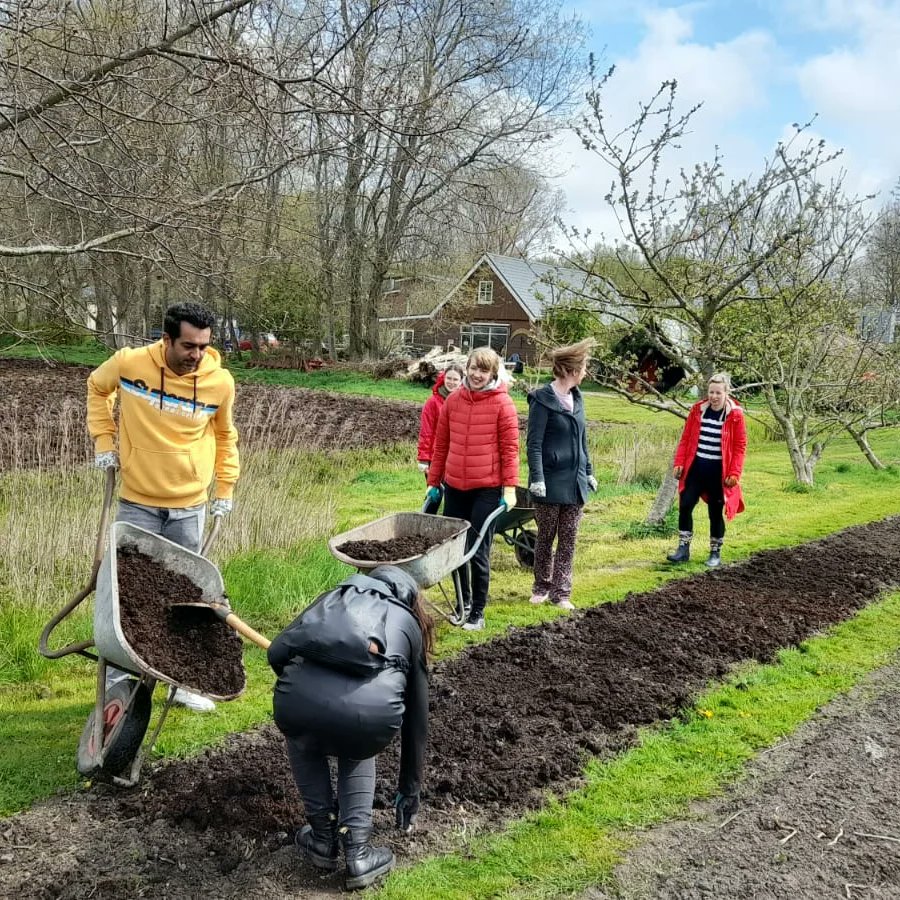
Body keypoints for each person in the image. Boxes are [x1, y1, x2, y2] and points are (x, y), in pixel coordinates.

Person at [87, 302, 240, 711]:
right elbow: (97, 388)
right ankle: (119, 684)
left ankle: (181, 683)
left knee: (184, 599)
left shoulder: (218, 383)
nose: (197, 355)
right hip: (137, 502)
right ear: (167, 338)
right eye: (189, 346)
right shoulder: (130, 364)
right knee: (127, 597)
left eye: (204, 347)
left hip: (190, 505)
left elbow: (225, 437)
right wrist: (104, 441)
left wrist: (224, 489)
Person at [268, 565, 432, 891]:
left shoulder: (330, 598)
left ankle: (321, 838)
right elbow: (417, 718)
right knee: (357, 732)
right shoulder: (408, 624)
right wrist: (410, 790)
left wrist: (300, 683)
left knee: (302, 729)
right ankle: (358, 853)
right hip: (366, 720)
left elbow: (276, 651)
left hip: (296, 704)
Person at [426, 347, 520, 631]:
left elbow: (510, 450)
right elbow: (441, 445)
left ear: (493, 374)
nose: (477, 375)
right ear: (466, 368)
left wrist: (509, 489)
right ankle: (462, 602)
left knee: (477, 550)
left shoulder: (503, 405)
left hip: (487, 489)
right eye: (474, 368)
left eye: (484, 370)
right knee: (456, 550)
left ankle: (478, 611)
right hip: (455, 485)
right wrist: (434, 481)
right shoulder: (454, 401)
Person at [526, 338, 597, 610]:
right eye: (584, 367)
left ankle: (562, 593)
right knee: (546, 536)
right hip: (550, 481)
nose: (586, 373)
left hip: (575, 482)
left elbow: (582, 441)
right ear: (571, 370)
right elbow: (533, 444)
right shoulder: (542, 400)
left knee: (568, 539)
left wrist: (588, 472)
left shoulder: (577, 399)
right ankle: (542, 586)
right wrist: (538, 478)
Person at [666, 372, 747, 567]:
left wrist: (734, 473)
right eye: (711, 392)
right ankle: (683, 549)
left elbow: (740, 446)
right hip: (696, 468)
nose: (714, 396)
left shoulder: (735, 415)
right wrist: (679, 463)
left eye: (718, 392)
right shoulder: (697, 410)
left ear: (726, 392)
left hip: (718, 472)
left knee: (715, 512)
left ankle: (715, 552)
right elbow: (686, 439)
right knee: (685, 505)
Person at [417, 364, 464, 513]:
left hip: (455, 456)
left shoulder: (463, 401)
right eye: (449, 378)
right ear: (443, 379)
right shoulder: (433, 403)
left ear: (461, 381)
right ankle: (425, 522)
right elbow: (426, 432)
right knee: (435, 493)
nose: (451, 382)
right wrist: (424, 459)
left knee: (453, 495)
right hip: (435, 456)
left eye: (455, 379)